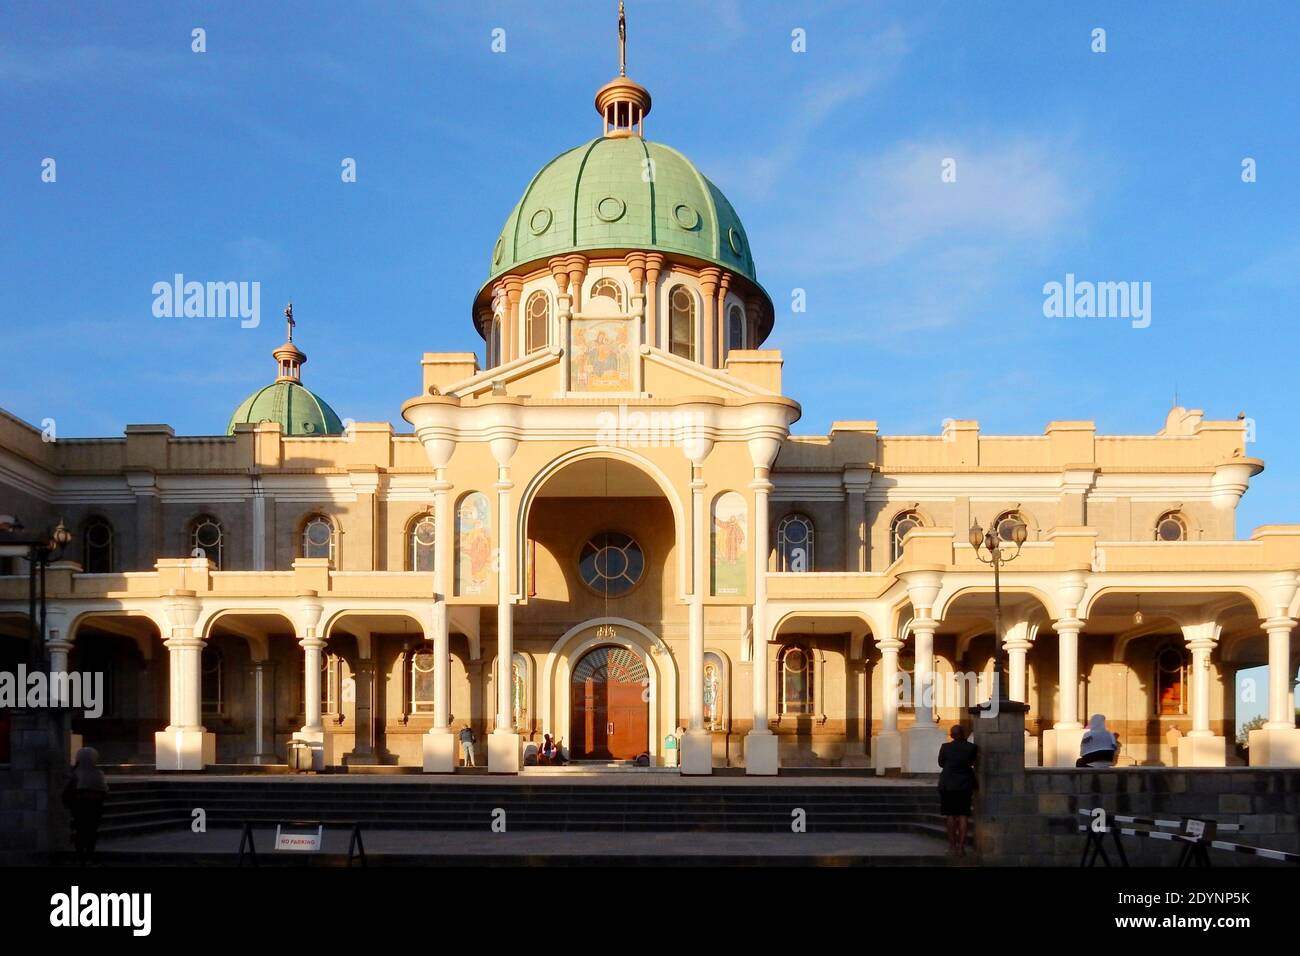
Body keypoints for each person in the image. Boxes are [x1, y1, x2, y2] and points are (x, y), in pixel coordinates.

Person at [63, 747, 109, 866]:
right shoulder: (98, 773)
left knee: (81, 831)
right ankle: (89, 855)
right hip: (94, 806)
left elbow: (68, 791)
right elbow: (104, 790)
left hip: (80, 806)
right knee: (91, 831)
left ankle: (81, 856)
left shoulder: (75, 773)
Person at [936, 725, 977, 857]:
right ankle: (961, 848)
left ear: (952, 735)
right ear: (963, 733)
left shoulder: (945, 747)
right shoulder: (972, 748)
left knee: (950, 815)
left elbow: (941, 763)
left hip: (948, 784)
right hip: (964, 784)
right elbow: (972, 762)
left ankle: (952, 846)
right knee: (963, 815)